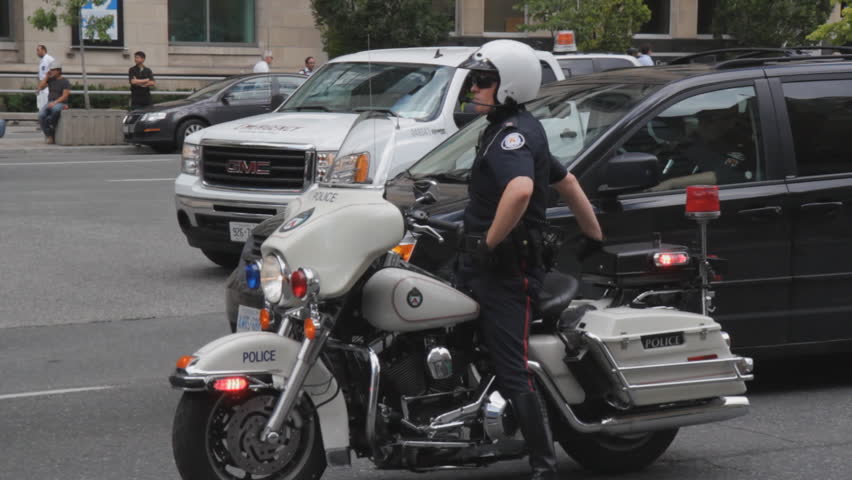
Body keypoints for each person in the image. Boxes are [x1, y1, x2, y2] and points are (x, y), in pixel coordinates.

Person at [456, 40, 603, 480]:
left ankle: (543, 465)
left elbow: (520, 189)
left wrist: (489, 242)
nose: (474, 88)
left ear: (510, 86)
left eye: (483, 81)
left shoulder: (513, 134)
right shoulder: (509, 128)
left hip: (505, 271)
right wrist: (594, 234)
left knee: (511, 364)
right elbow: (567, 179)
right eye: (474, 80)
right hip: (480, 266)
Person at [36, 61, 71, 144]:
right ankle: (49, 136)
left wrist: (55, 102)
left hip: (61, 103)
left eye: (53, 70)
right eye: (50, 70)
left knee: (55, 109)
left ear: (59, 71)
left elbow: (65, 96)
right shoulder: (50, 80)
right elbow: (40, 88)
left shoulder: (65, 82)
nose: (51, 71)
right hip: (50, 102)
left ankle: (49, 123)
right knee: (41, 115)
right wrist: (46, 77)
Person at [36, 45, 55, 112]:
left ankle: (45, 121)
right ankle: (42, 121)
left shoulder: (48, 59)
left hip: (47, 87)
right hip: (42, 86)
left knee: (45, 106)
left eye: (38, 50)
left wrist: (42, 86)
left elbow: (50, 75)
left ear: (43, 50)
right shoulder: (43, 60)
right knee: (41, 105)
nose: (37, 52)